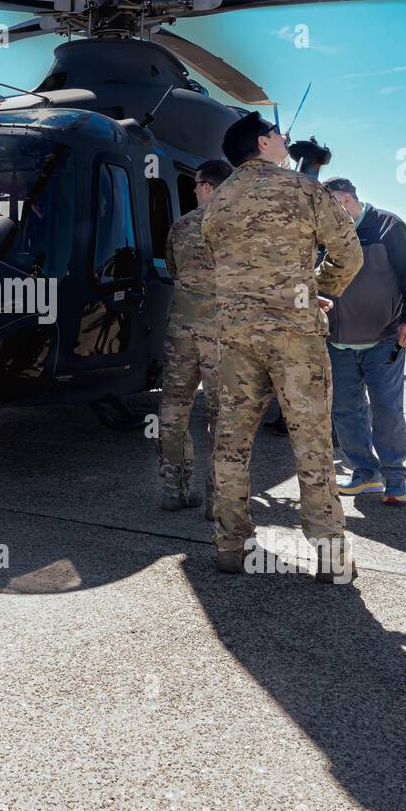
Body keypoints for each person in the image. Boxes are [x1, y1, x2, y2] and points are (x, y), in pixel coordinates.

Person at [202, 113, 363, 584]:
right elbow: (349, 252)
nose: (285, 140)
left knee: (231, 441)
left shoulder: (219, 200)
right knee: (312, 442)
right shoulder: (303, 190)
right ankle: (331, 558)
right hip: (294, 335)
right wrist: (315, 289)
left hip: (235, 336)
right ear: (262, 142)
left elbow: (220, 261)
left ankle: (231, 545)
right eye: (278, 135)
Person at [321, 177, 406, 504]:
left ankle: (396, 478)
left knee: (386, 409)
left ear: (348, 200)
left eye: (334, 206)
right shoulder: (326, 233)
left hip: (385, 338)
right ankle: (365, 473)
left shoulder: (388, 226)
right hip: (338, 342)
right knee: (345, 410)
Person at [159, 158, 233, 516]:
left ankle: (173, 490)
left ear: (206, 185)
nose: (193, 190)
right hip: (222, 335)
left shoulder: (181, 226)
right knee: (222, 416)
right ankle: (218, 499)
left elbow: (174, 270)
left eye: (196, 184)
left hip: (182, 332)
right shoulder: (240, 226)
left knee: (174, 409)